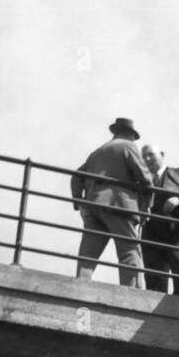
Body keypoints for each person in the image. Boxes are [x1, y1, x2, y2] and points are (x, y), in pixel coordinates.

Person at [70, 118, 155, 286]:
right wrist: (146, 207)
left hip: (93, 206)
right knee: (129, 250)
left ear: (115, 132)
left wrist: (79, 201)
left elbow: (76, 176)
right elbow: (146, 179)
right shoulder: (128, 146)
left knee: (89, 252)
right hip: (119, 205)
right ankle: (131, 292)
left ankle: (80, 286)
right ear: (131, 135)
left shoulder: (97, 152)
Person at [139, 143, 179, 297]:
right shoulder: (144, 182)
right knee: (154, 284)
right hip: (153, 234)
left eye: (150, 154)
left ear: (161, 154)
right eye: (143, 156)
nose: (147, 159)